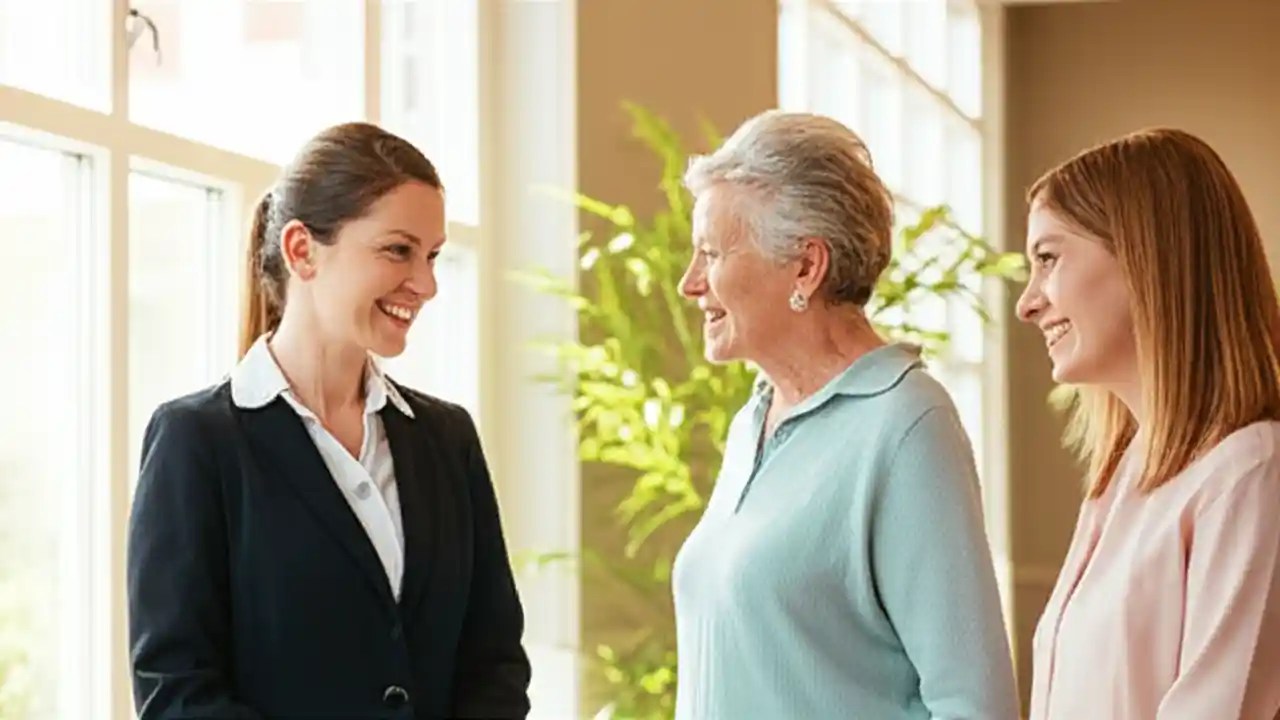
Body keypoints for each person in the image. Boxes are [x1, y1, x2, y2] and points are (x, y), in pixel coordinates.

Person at [126, 122, 531, 719]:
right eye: (399, 250)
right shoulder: (197, 442)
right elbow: (177, 692)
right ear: (301, 251)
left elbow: (495, 664)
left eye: (433, 255)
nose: (426, 284)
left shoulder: (447, 439)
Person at [669, 109, 1018, 719]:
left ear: (806, 265)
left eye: (710, 254)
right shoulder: (752, 421)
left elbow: (973, 705)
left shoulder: (907, 422)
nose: (689, 283)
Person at [1017, 128, 1280, 719]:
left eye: (1049, 259)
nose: (1027, 302)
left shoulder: (1251, 472)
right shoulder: (1121, 478)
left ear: (1146, 255)